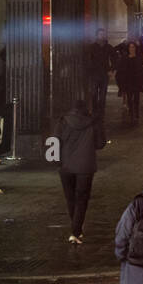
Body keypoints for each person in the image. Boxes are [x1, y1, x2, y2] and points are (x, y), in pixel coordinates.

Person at [55, 100, 99, 244]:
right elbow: (100, 143)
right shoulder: (93, 122)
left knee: (70, 198)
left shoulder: (63, 121)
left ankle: (76, 228)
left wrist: (57, 161)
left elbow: (54, 142)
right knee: (81, 199)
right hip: (85, 166)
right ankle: (76, 231)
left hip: (66, 166)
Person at [116, 41, 143, 124]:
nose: (132, 49)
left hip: (136, 80)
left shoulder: (139, 58)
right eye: (130, 47)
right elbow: (121, 70)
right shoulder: (124, 58)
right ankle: (131, 113)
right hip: (128, 81)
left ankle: (136, 113)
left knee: (136, 98)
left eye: (133, 47)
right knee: (130, 98)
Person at [84, 28, 113, 121]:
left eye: (103, 34)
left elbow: (114, 58)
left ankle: (100, 114)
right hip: (95, 74)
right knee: (94, 94)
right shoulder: (92, 47)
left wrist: (111, 69)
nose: (102, 36)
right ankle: (95, 112)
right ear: (97, 35)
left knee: (102, 96)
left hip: (104, 74)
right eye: (100, 34)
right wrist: (90, 71)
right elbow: (88, 60)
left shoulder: (108, 47)